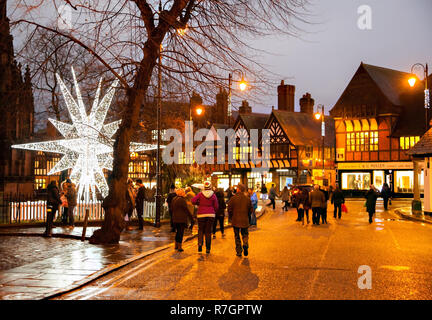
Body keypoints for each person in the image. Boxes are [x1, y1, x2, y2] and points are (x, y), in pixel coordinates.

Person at [192, 181, 218, 254]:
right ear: (210, 187)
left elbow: (193, 200)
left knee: (200, 230)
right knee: (208, 231)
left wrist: (198, 203)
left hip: (201, 214)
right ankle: (208, 249)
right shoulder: (213, 195)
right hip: (210, 215)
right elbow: (216, 206)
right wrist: (213, 211)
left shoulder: (200, 194)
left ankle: (200, 245)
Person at [228, 184, 252, 257]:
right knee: (245, 234)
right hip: (245, 220)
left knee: (237, 236)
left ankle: (239, 251)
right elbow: (251, 210)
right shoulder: (247, 199)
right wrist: (247, 216)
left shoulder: (233, 198)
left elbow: (229, 210)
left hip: (235, 220)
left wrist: (231, 217)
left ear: (238, 189)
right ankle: (245, 244)